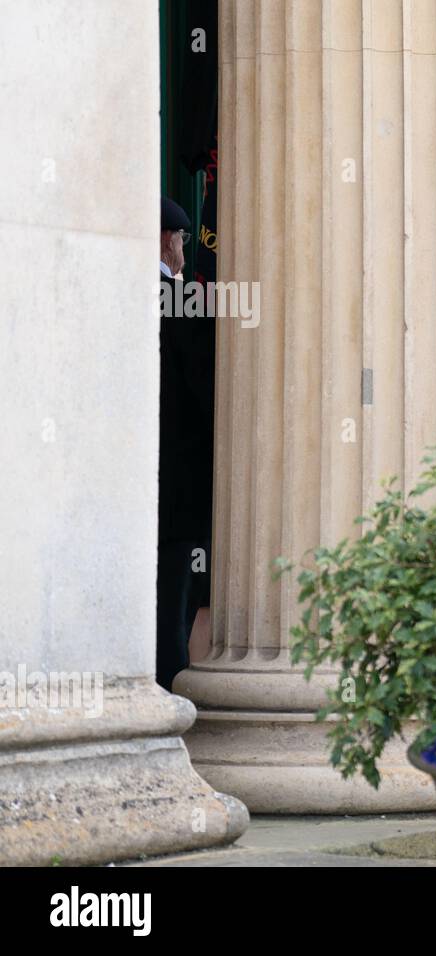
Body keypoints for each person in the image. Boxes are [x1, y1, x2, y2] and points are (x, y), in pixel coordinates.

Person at [157, 196, 214, 691]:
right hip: (180, 483)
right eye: (179, 240)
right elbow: (205, 391)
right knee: (174, 602)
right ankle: (169, 691)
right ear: (167, 240)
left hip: (139, 481)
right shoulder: (177, 300)